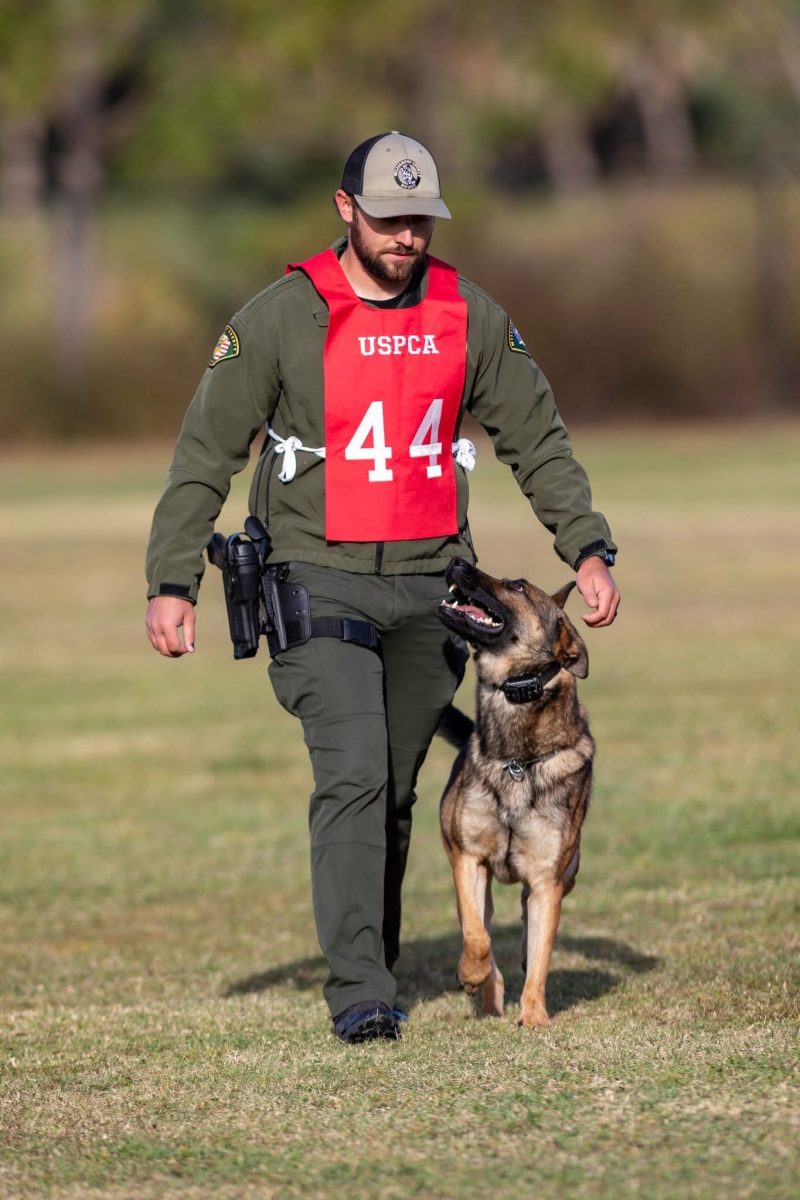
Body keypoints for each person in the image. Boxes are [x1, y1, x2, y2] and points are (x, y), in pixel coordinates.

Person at [145, 131, 620, 1044]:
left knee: (399, 785)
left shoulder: (468, 314)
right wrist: (172, 580)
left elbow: (538, 437)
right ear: (344, 209)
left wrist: (587, 545)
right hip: (314, 578)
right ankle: (361, 990)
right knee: (356, 773)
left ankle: (379, 951)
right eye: (389, 218)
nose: (406, 237)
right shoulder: (284, 317)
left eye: (420, 221)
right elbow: (205, 450)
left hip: (436, 592)